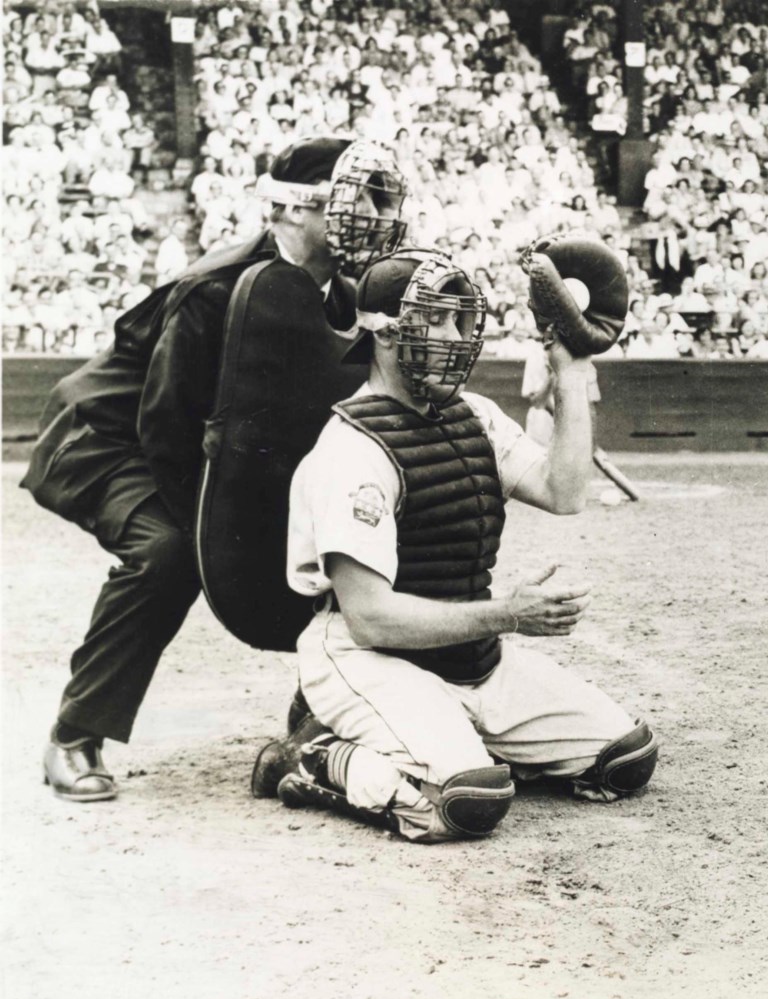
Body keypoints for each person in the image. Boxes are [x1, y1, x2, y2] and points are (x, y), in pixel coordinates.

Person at [23, 137, 409, 803]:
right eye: (347, 205)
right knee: (168, 553)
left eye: (375, 204)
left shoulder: (340, 296)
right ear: (292, 212)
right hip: (113, 441)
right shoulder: (216, 288)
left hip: (197, 447)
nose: (366, 220)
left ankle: (321, 717)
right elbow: (165, 418)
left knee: (335, 547)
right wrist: (215, 530)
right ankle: (74, 734)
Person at [250, 249, 658, 841]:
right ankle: (312, 755)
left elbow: (564, 490)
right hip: (372, 659)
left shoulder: (475, 416)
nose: (456, 336)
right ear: (385, 333)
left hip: (472, 658)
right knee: (465, 801)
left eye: (460, 320)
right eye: (436, 320)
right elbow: (369, 620)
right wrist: (510, 614)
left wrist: (570, 368)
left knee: (624, 759)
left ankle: (450, 739)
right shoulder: (351, 451)